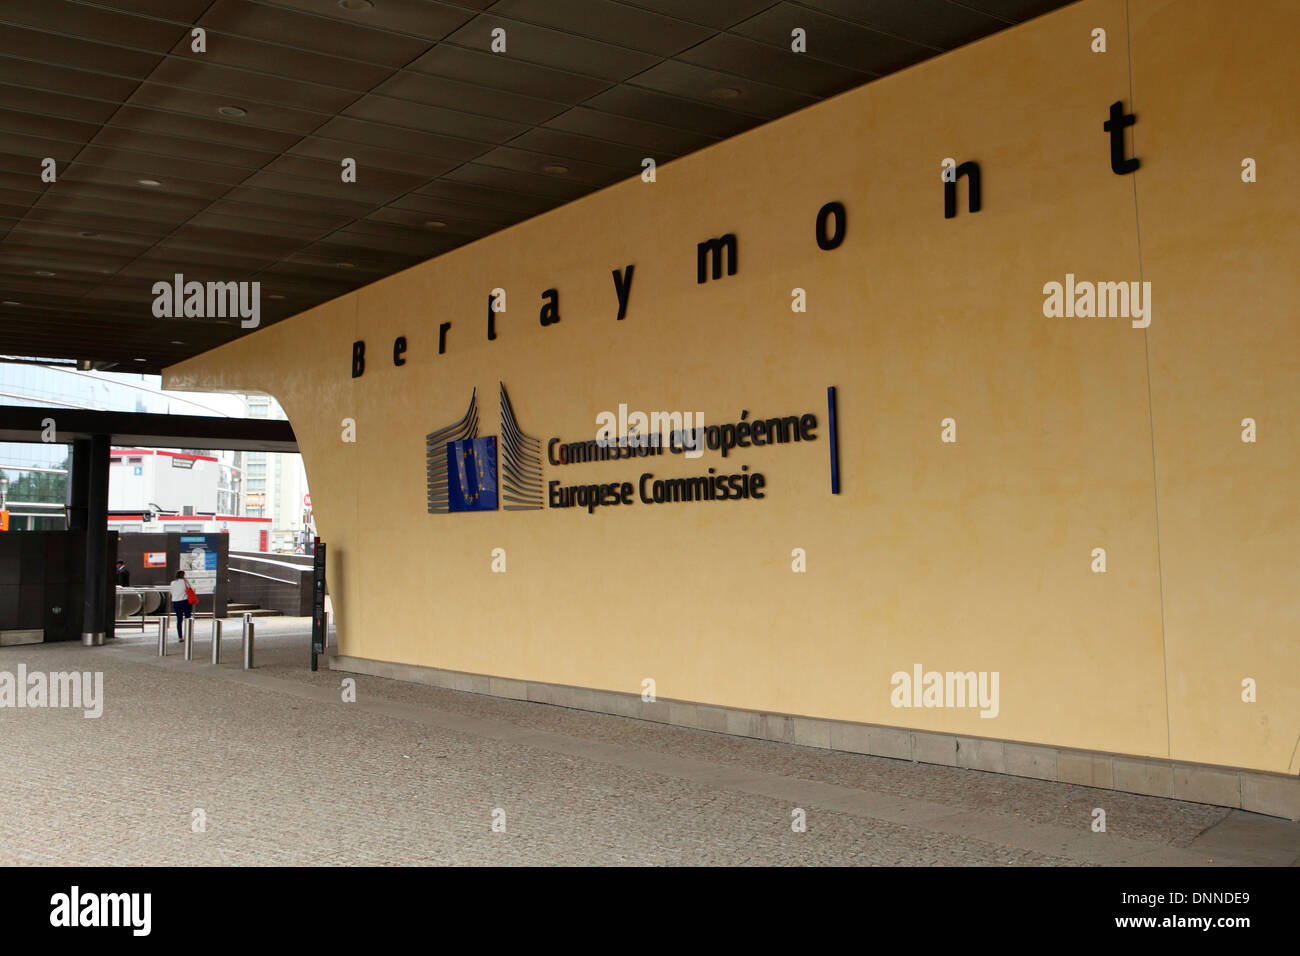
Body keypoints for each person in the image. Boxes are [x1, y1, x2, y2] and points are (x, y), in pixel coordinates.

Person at [169, 570, 193, 643]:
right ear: (183, 575)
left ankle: (180, 637)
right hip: (185, 602)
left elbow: (171, 592)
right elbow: (190, 590)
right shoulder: (185, 582)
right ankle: (188, 635)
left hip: (175, 602)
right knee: (188, 619)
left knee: (179, 620)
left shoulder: (172, 583)